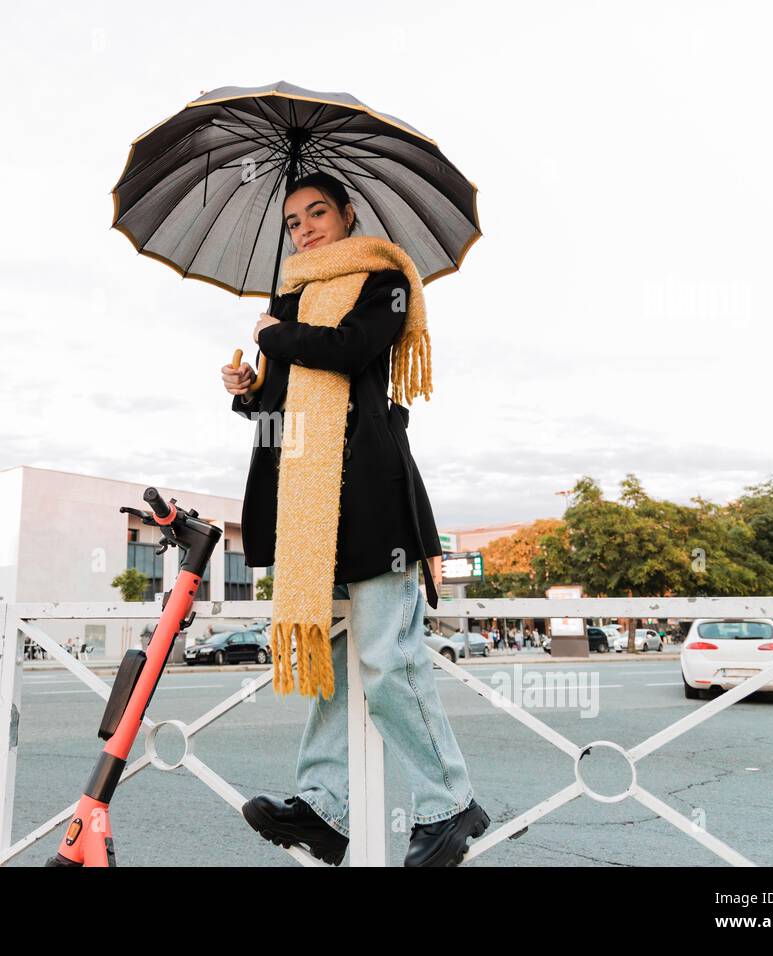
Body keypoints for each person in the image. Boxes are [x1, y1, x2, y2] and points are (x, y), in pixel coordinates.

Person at [225, 172, 488, 867]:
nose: (305, 227)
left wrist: (277, 337)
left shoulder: (384, 282)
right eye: (292, 221)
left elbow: (344, 352)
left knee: (387, 658)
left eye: (316, 212)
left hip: (373, 499)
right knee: (332, 663)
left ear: (347, 214)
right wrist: (250, 390)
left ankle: (450, 803)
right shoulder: (290, 303)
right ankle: (323, 809)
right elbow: (281, 409)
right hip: (313, 511)